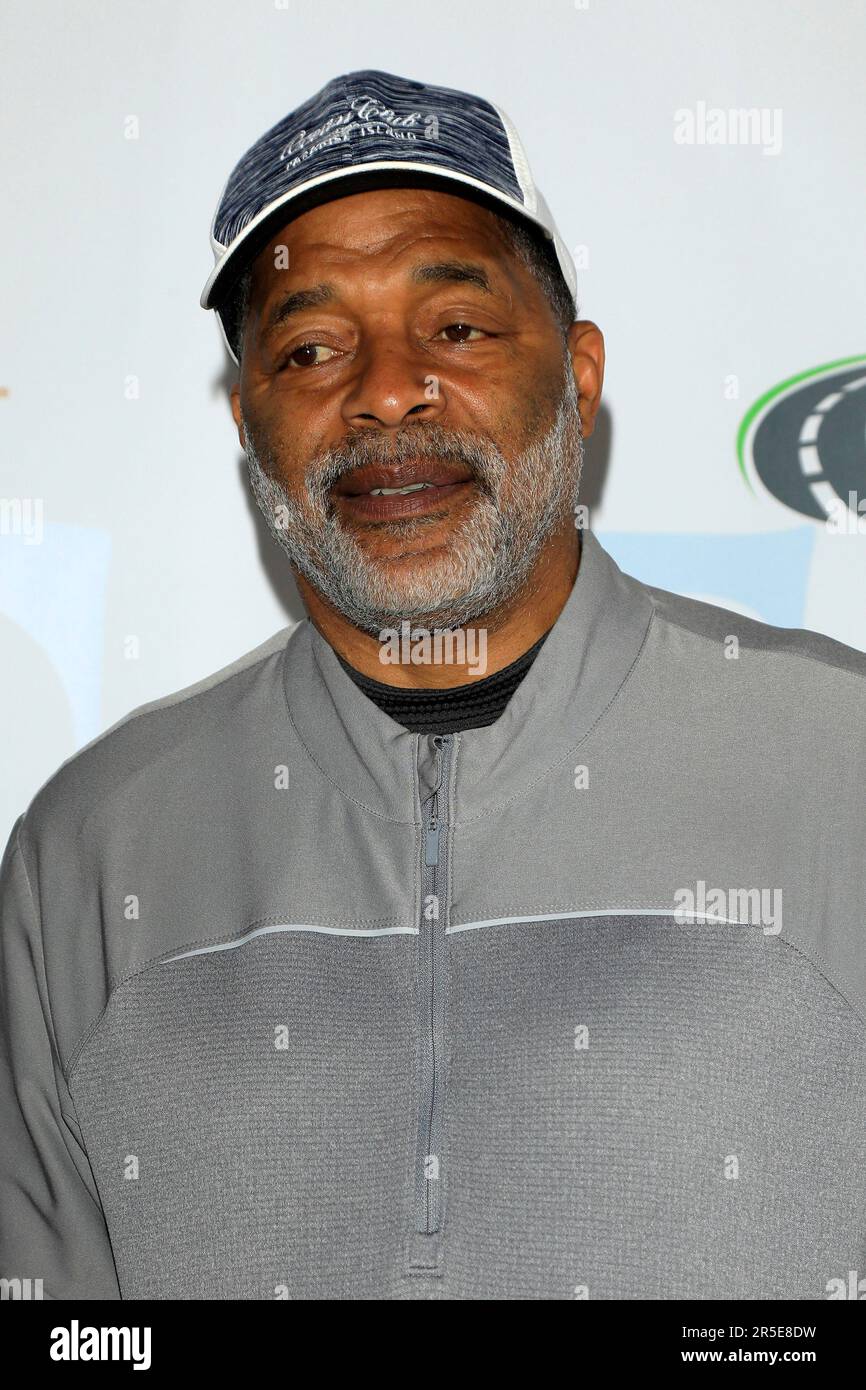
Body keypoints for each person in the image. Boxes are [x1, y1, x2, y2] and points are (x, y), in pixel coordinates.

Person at [1, 69, 864, 1302]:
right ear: (250, 420)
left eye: (453, 329)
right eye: (309, 346)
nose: (383, 390)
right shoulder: (92, 846)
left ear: (576, 375)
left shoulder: (841, 766)